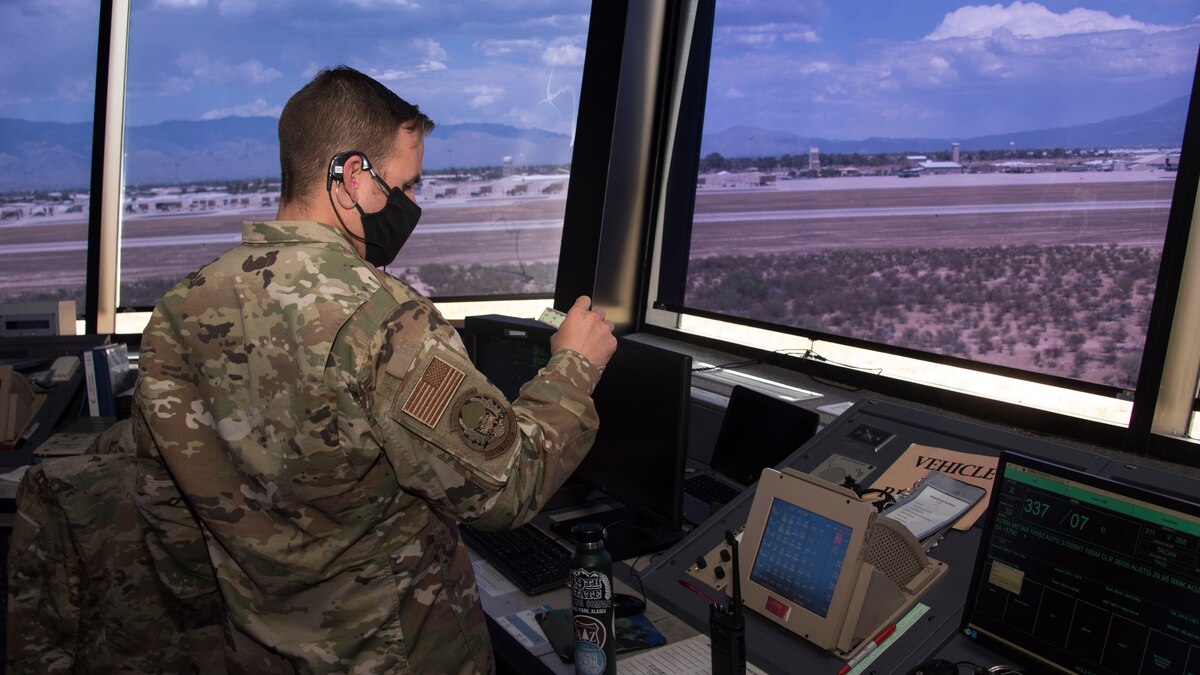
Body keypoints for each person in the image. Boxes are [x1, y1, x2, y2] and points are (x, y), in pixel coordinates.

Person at [10, 65, 616, 674]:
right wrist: (573, 365)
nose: (410, 207)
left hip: (254, 650)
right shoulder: (382, 318)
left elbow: (168, 518)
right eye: (404, 187)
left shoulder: (179, 310)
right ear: (352, 177)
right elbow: (509, 488)